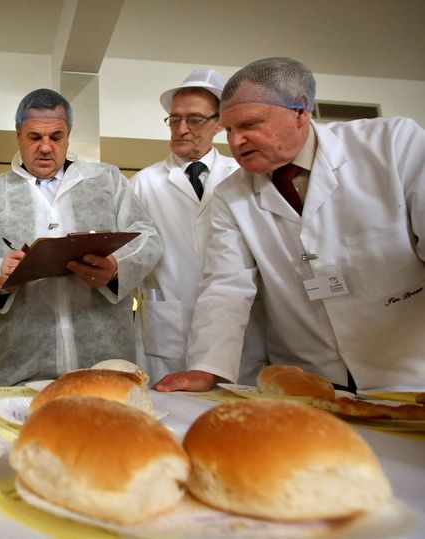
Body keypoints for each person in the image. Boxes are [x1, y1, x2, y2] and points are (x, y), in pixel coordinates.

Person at [155, 57, 425, 393]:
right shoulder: (231, 195)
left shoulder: (392, 145)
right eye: (229, 130)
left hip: (409, 373)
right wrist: (206, 368)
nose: (236, 142)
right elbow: (227, 285)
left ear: (301, 111)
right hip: (307, 378)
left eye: (250, 124)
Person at [0, 88, 163, 387]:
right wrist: (0, 270)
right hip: (22, 363)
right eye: (35, 137)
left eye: (56, 137)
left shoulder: (106, 180)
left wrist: (115, 269)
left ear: (68, 136)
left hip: (103, 355)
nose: (46, 147)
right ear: (19, 135)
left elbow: (147, 237)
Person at [131, 69, 266, 384]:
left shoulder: (244, 178)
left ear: (219, 123)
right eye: (174, 119)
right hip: (166, 336)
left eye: (194, 120)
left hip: (238, 336)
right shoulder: (143, 183)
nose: (181, 129)